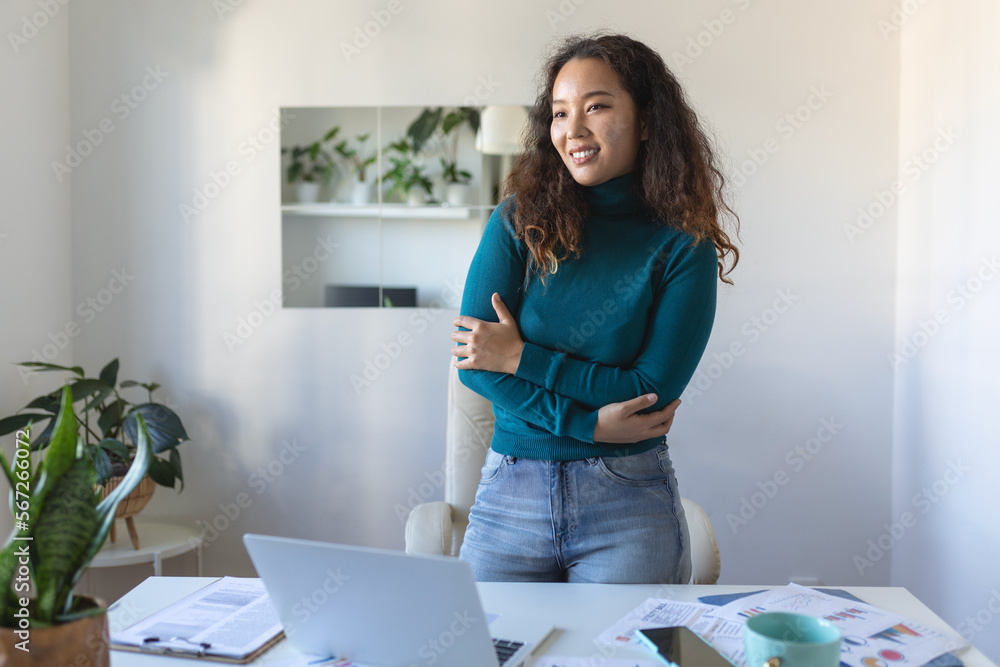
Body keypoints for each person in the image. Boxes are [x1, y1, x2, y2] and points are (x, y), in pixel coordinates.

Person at [450, 32, 739, 584]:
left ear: (648, 120)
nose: (573, 130)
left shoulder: (683, 244)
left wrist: (519, 358)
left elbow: (648, 393)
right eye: (559, 113)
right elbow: (474, 359)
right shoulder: (518, 220)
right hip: (511, 489)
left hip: (628, 502)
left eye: (597, 107)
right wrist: (587, 424)